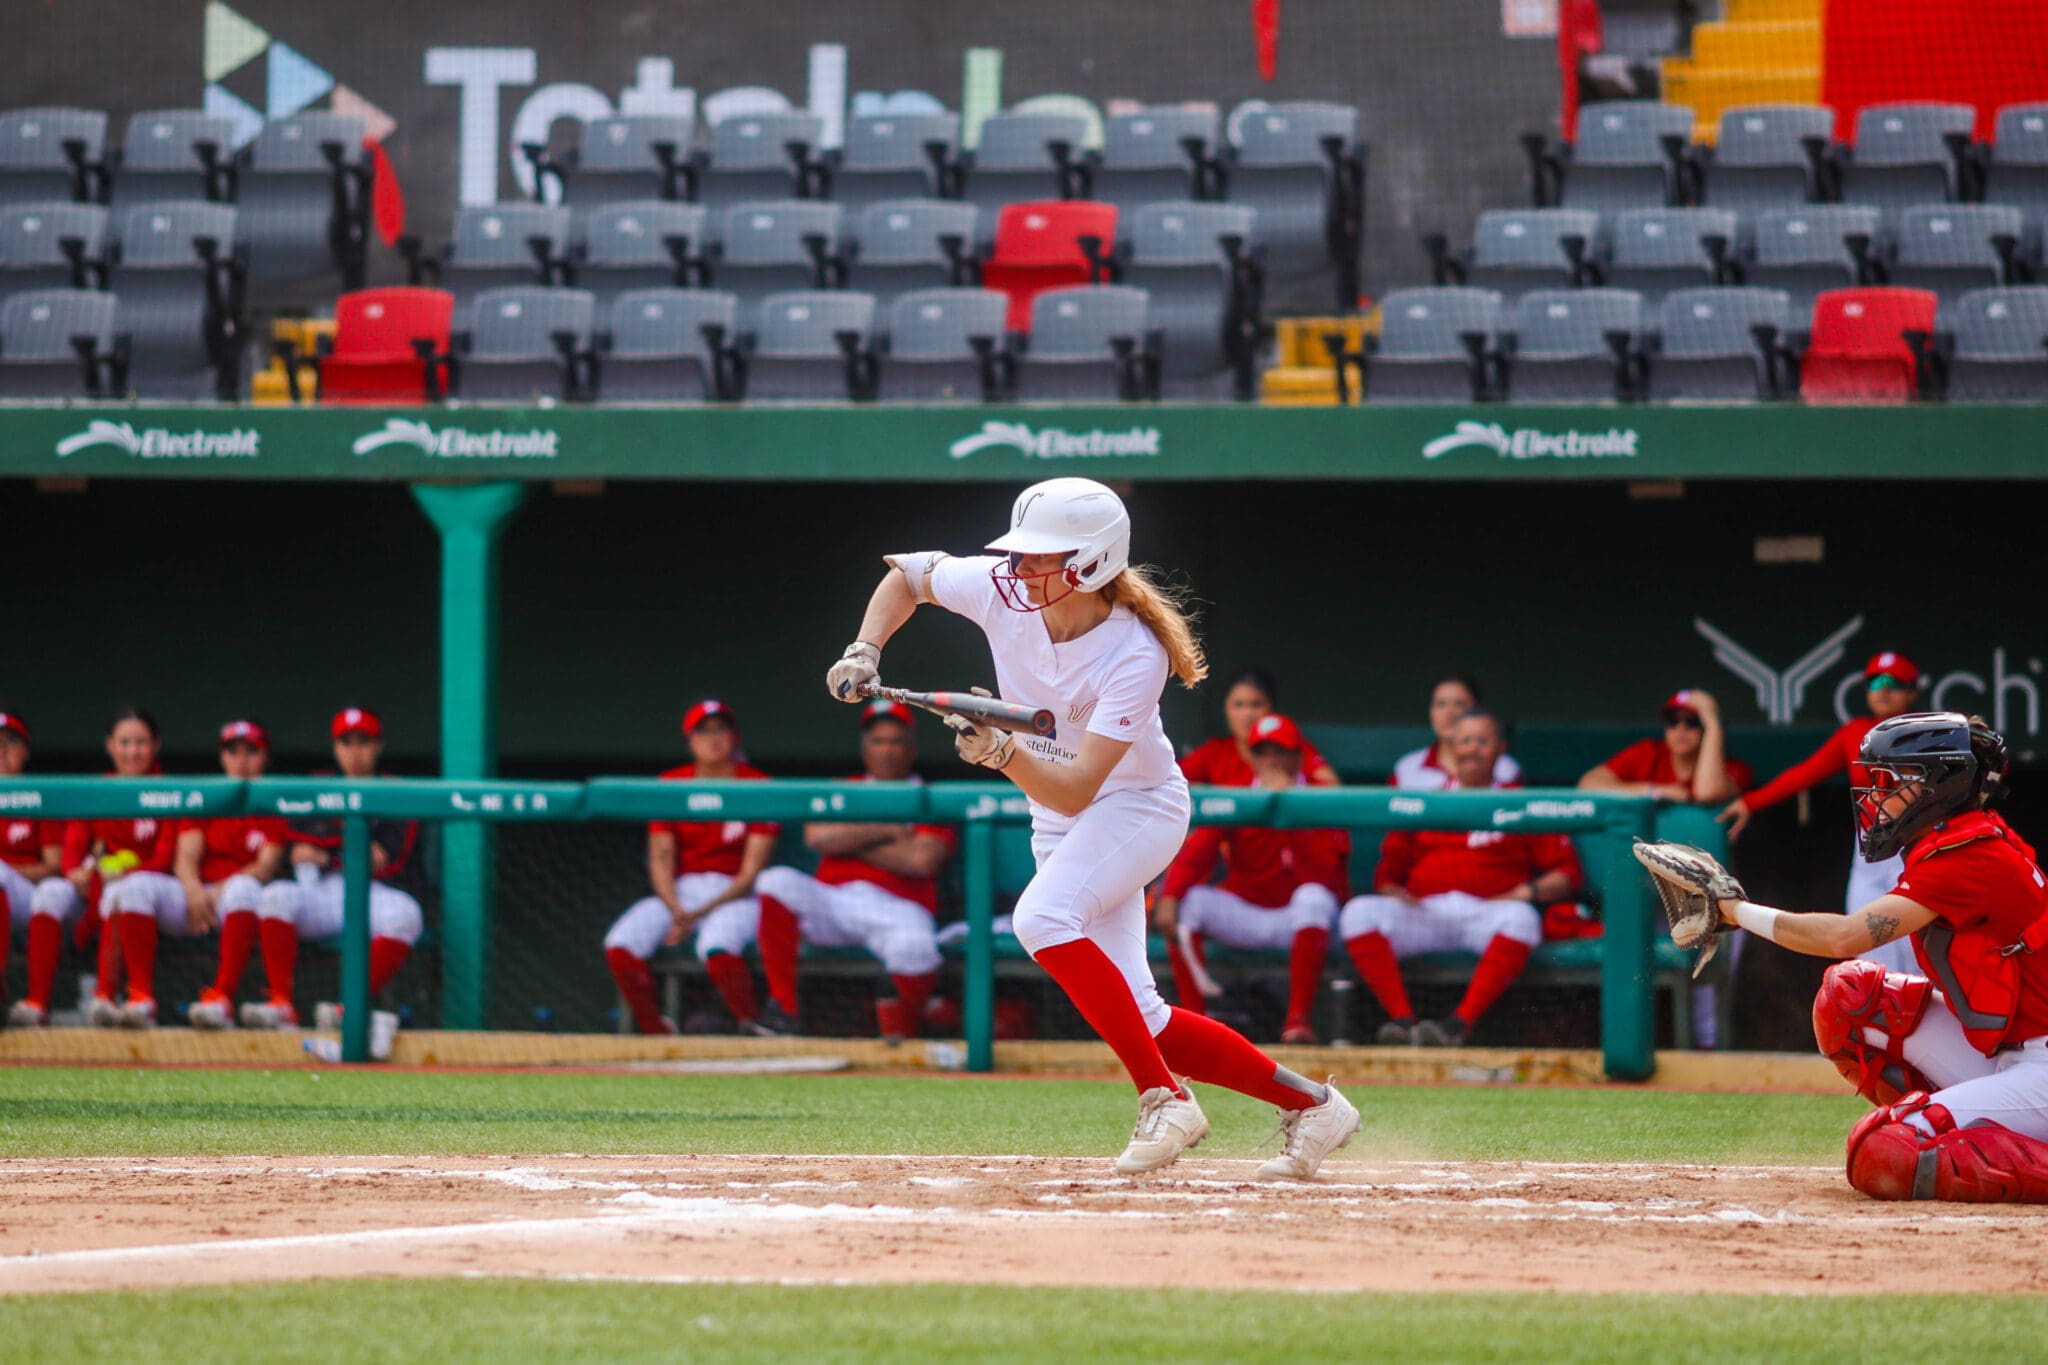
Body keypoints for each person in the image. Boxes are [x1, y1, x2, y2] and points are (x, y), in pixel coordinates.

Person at [825, 476, 1359, 1179]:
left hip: (1136, 806)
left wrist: (1001, 752)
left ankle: (1164, 1096)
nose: (1019, 567)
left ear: (1090, 563)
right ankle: (1315, 1106)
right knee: (1145, 1016)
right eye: (1019, 552)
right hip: (1057, 814)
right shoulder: (1000, 586)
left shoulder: (1136, 652)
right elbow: (908, 575)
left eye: (1041, 555)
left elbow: (1080, 788)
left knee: (1040, 918)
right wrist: (865, 650)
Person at [1716, 712, 2048, 1203]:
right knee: (1853, 1000)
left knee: (1885, 1151)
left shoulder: (1970, 855)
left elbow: (1844, 938)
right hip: (2007, 1052)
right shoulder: (1955, 837)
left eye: (1894, 781)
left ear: (1940, 786)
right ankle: (1952, 1120)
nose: (1877, 796)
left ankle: (1938, 1129)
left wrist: (1735, 911)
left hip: (2041, 1067)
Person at [1340, 709, 1582, 1046]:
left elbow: (1567, 874)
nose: (1472, 749)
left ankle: (1458, 1026)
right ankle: (1403, 1021)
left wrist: (1526, 891)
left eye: (1483, 741)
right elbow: (1387, 874)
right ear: (1452, 747)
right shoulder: (1427, 801)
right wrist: (1398, 894)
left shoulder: (1518, 800)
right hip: (1427, 915)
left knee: (1522, 919)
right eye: (1465, 741)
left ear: (1501, 749)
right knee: (1358, 912)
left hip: (1487, 915)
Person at [754, 698, 955, 1040]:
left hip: (900, 907)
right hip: (834, 902)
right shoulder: (844, 788)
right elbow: (818, 837)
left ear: (911, 747)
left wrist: (850, 839)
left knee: (916, 949)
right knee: (775, 881)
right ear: (865, 748)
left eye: (895, 741)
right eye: (878, 741)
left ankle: (903, 1036)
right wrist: (888, 829)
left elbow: (921, 860)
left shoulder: (928, 795)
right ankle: (783, 1012)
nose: (886, 750)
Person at [1718, 651, 1923, 973]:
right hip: (1869, 853)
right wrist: (1751, 802)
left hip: (1915, 847)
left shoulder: (1928, 730)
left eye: (1894, 683)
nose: (1883, 690)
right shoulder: (1855, 732)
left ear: (1913, 691)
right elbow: (1804, 773)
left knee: (1917, 954)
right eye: (1875, 682)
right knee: (1868, 956)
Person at [1154, 712, 1348, 1045]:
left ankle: (1298, 1020)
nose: (1271, 761)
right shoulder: (1241, 793)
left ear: (1298, 756)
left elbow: (1325, 874)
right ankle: (1197, 1026)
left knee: (1313, 898)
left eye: (1280, 751)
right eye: (1262, 752)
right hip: (1249, 913)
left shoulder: (1322, 796)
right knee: (1191, 903)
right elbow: (1199, 850)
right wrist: (1169, 896)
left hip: (1301, 921)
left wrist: (1292, 811)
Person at [602, 700, 778, 1036]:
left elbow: (752, 872)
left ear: (735, 736)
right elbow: (660, 859)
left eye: (720, 729)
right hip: (680, 893)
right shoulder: (671, 783)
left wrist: (697, 914)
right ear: (690, 741)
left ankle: (751, 1026)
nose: (713, 738)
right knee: (620, 942)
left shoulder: (757, 784)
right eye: (703, 731)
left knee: (717, 943)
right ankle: (656, 1030)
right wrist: (676, 909)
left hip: (737, 895)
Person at [246, 708, 426, 1029]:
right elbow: (296, 845)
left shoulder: (396, 791)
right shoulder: (317, 786)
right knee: (275, 897)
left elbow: (389, 860)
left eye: (363, 742)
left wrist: (328, 855)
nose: (354, 752)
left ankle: (347, 1009)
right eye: (346, 742)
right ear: (335, 747)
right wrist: (344, 851)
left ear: (379, 746)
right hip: (322, 892)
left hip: (375, 893)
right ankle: (281, 1003)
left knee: (407, 915)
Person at [184, 721, 290, 1030]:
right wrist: (193, 889)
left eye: (251, 751)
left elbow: (265, 867)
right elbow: (185, 858)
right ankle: (129, 998)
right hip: (195, 897)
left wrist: (221, 887)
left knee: (242, 888)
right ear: (222, 756)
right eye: (233, 751)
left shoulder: (273, 801)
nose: (241, 760)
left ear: (266, 757)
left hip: (239, 897)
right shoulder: (207, 797)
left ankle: (221, 997)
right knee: (136, 890)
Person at [2, 712, 80, 1028]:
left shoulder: (37, 794)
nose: (2, 751)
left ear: (26, 750)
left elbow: (53, 865)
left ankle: (37, 1002)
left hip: (31, 898)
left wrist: (9, 872)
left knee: (49, 890)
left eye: (10, 742)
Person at [1579, 689, 1751, 803]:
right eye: (1673, 722)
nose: (1681, 729)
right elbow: (1588, 784)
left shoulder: (1733, 769)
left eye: (1692, 722)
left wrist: (1713, 724)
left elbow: (1708, 793)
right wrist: (1655, 792)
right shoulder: (1649, 752)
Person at [1179, 666, 1339, 787]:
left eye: (1256, 704)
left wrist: (1291, 791)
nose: (1247, 715)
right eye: (1238, 705)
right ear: (1226, 710)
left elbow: (1331, 790)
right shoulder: (1215, 752)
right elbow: (1173, 781)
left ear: (1272, 709)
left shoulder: (1291, 748)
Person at [1391, 673, 1522, 790]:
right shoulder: (1407, 767)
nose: (1449, 713)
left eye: (1459, 704)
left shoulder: (1508, 769)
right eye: (1441, 704)